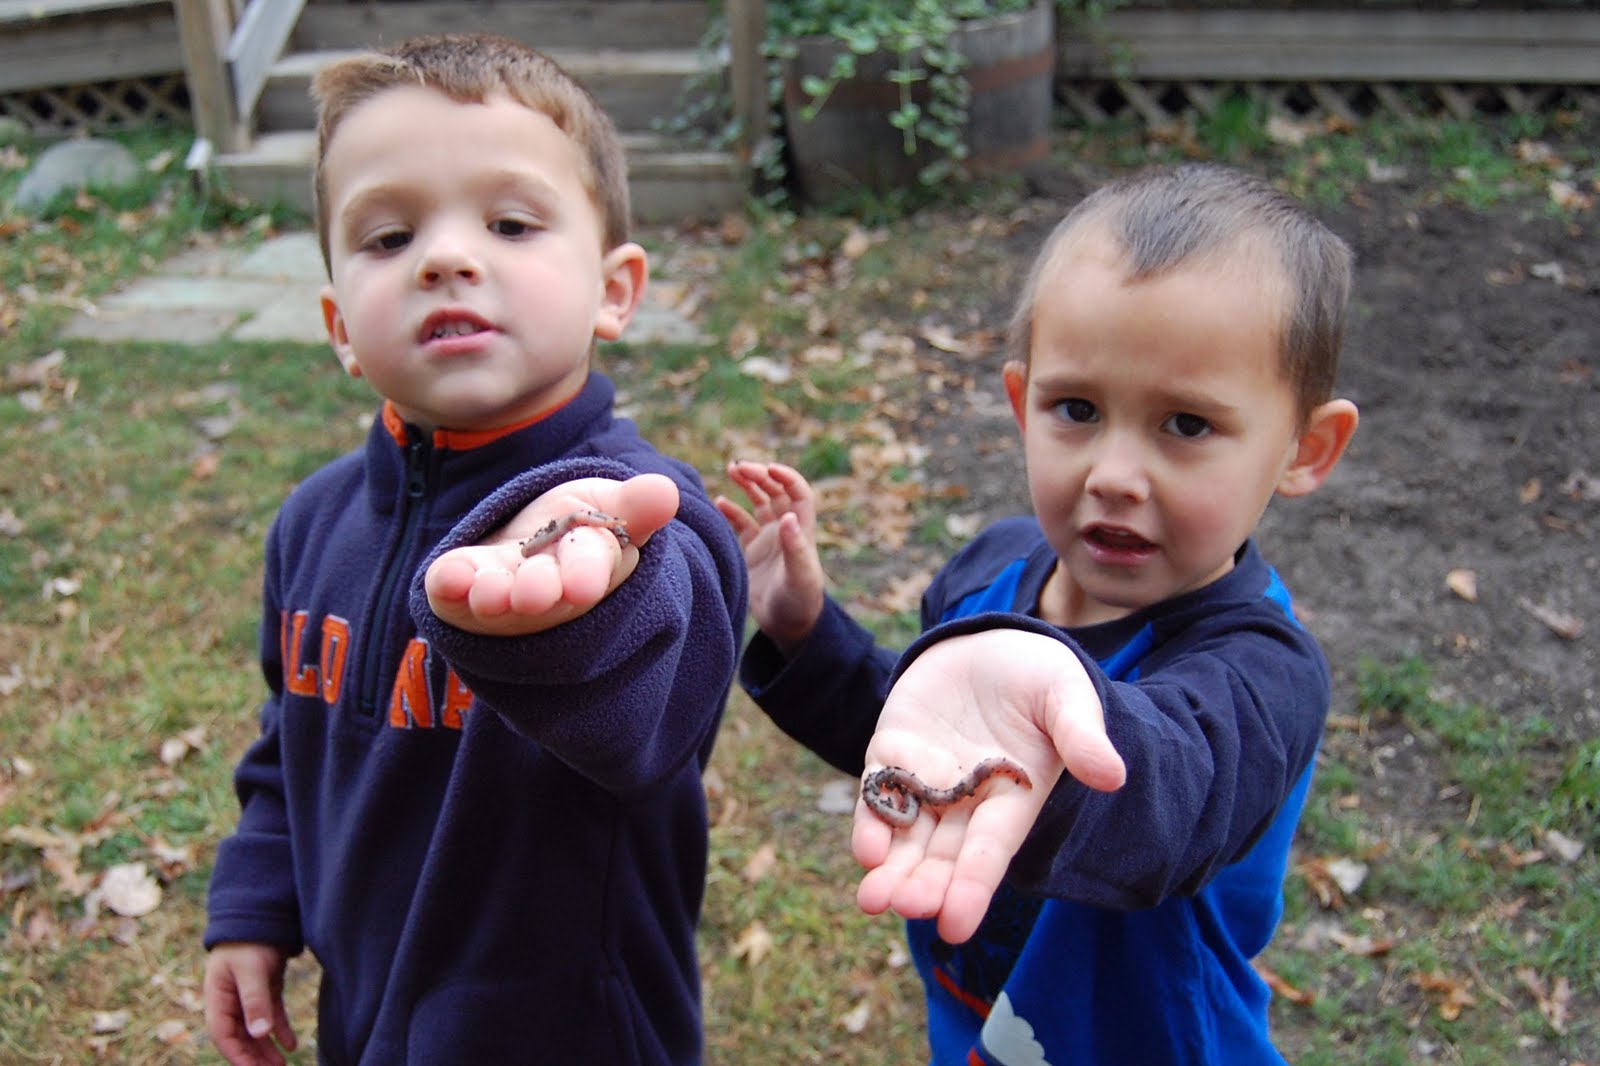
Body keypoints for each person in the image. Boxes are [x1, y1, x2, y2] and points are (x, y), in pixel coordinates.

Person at [717, 162, 1360, 1065]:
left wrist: (1047, 707)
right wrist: (804, 631)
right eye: (1077, 409)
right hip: (979, 1024)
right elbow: (921, 749)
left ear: (1305, 447)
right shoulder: (988, 574)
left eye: (1185, 425)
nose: (1114, 475)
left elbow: (1171, 807)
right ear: (1022, 405)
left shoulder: (1264, 670)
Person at [201, 34, 746, 1066]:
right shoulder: (313, 522)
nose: (446, 257)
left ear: (614, 289)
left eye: (509, 222)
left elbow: (662, 675)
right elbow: (289, 741)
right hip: (363, 1011)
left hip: (566, 1031)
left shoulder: (645, 512)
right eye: (388, 235)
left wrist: (600, 587)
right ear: (339, 327)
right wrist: (255, 903)